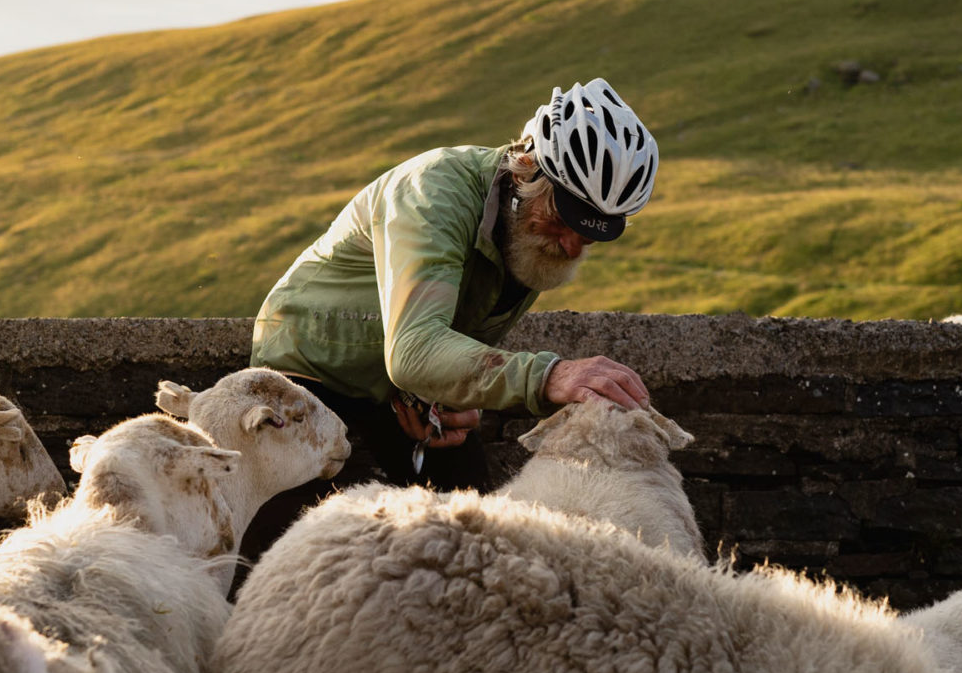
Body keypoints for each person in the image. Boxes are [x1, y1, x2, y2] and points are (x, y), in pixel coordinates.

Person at [242, 77, 659, 562]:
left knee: (484, 547)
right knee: (321, 563)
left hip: (397, 394)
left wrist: (436, 396)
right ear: (525, 170)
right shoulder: (434, 190)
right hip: (306, 378)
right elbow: (415, 351)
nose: (571, 246)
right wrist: (549, 375)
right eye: (562, 220)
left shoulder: (527, 234)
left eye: (591, 237)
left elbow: (438, 353)